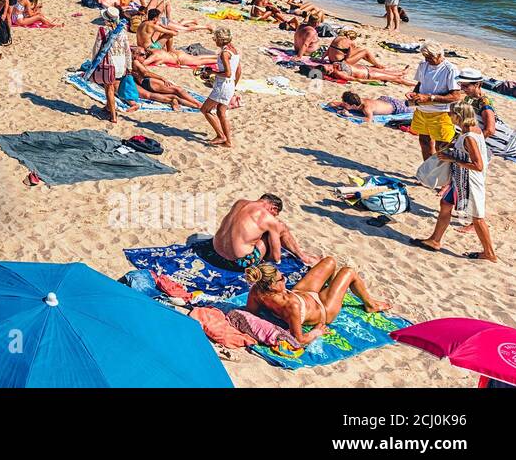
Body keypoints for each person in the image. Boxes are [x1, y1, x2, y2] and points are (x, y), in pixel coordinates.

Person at [415, 103, 497, 262]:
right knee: (445, 204)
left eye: (451, 113)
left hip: (469, 181)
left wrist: (452, 158)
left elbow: (478, 165)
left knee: (477, 217)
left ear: (459, 116)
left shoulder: (469, 137)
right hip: (460, 179)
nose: (448, 116)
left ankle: (489, 253)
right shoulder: (472, 130)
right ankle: (435, 240)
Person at [245, 259, 390, 346]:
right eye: (281, 278)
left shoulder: (257, 291)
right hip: (323, 308)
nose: (284, 278)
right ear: (272, 285)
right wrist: (317, 332)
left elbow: (251, 314)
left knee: (330, 261)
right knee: (348, 271)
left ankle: (331, 288)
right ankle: (370, 305)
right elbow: (299, 339)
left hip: (300, 294)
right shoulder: (291, 306)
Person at [212, 193, 320, 268]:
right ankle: (304, 258)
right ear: (274, 208)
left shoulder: (240, 202)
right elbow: (275, 257)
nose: (274, 217)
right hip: (238, 262)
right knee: (281, 227)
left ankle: (302, 255)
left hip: (216, 250)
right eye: (275, 215)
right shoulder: (269, 218)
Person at [406, 42, 462, 164]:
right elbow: (420, 84)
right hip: (422, 111)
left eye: (430, 57)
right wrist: (414, 94)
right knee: (424, 142)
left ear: (439, 55)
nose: (427, 60)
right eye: (425, 57)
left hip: (441, 113)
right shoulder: (423, 65)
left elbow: (455, 96)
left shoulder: (450, 69)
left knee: (441, 147)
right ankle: (428, 171)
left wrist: (430, 98)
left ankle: (443, 177)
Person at [458, 67, 516, 160]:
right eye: (460, 84)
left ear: (477, 84)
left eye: (465, 86)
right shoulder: (468, 98)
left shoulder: (484, 102)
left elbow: (490, 130)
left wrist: (472, 143)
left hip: (503, 144)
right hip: (491, 143)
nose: (462, 88)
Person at [91, 7, 135, 122]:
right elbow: (127, 49)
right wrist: (129, 65)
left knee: (109, 87)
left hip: (109, 62)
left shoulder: (103, 30)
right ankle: (107, 107)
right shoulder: (122, 31)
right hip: (121, 62)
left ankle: (113, 116)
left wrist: (93, 63)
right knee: (110, 85)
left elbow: (97, 48)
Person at [200, 26, 240, 147]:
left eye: (215, 38)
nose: (214, 41)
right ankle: (228, 141)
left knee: (205, 109)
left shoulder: (224, 53)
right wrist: (234, 86)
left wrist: (212, 73)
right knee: (221, 112)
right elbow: (238, 71)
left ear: (220, 39)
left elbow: (227, 73)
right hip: (230, 85)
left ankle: (220, 135)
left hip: (223, 85)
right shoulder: (234, 50)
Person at [327, 90, 409, 121]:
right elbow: (331, 103)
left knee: (414, 106)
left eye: (345, 103)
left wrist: (350, 115)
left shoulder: (366, 107)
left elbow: (369, 119)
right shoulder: (351, 102)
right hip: (383, 100)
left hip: (395, 107)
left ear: (353, 105)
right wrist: (338, 109)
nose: (343, 104)